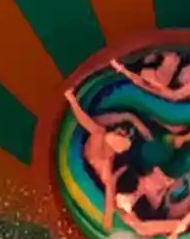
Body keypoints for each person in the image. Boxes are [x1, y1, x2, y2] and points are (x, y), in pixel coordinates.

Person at [64, 88, 151, 230]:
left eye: (121, 134)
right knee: (103, 129)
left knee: (100, 131)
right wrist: (135, 122)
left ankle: (72, 101)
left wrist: (108, 223)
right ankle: (73, 101)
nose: (120, 133)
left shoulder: (106, 163)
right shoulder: (107, 139)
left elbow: (109, 195)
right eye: (121, 133)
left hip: (94, 156)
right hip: (99, 148)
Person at [110, 52, 190, 101]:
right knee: (170, 58)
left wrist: (158, 86)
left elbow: (175, 95)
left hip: (171, 85)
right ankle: (141, 63)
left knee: (150, 76)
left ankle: (125, 69)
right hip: (177, 72)